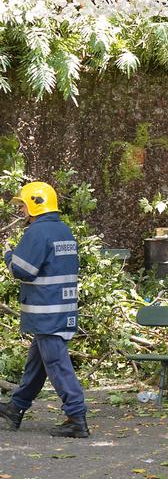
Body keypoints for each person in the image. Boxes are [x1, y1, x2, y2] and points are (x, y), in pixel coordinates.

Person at [0, 182, 86, 438]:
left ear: (35, 205)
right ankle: (16, 408)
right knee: (37, 364)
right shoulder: (63, 231)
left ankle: (76, 417)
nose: (22, 211)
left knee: (57, 364)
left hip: (46, 310)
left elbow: (23, 270)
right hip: (61, 307)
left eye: (24, 205)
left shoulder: (37, 233)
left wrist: (8, 255)